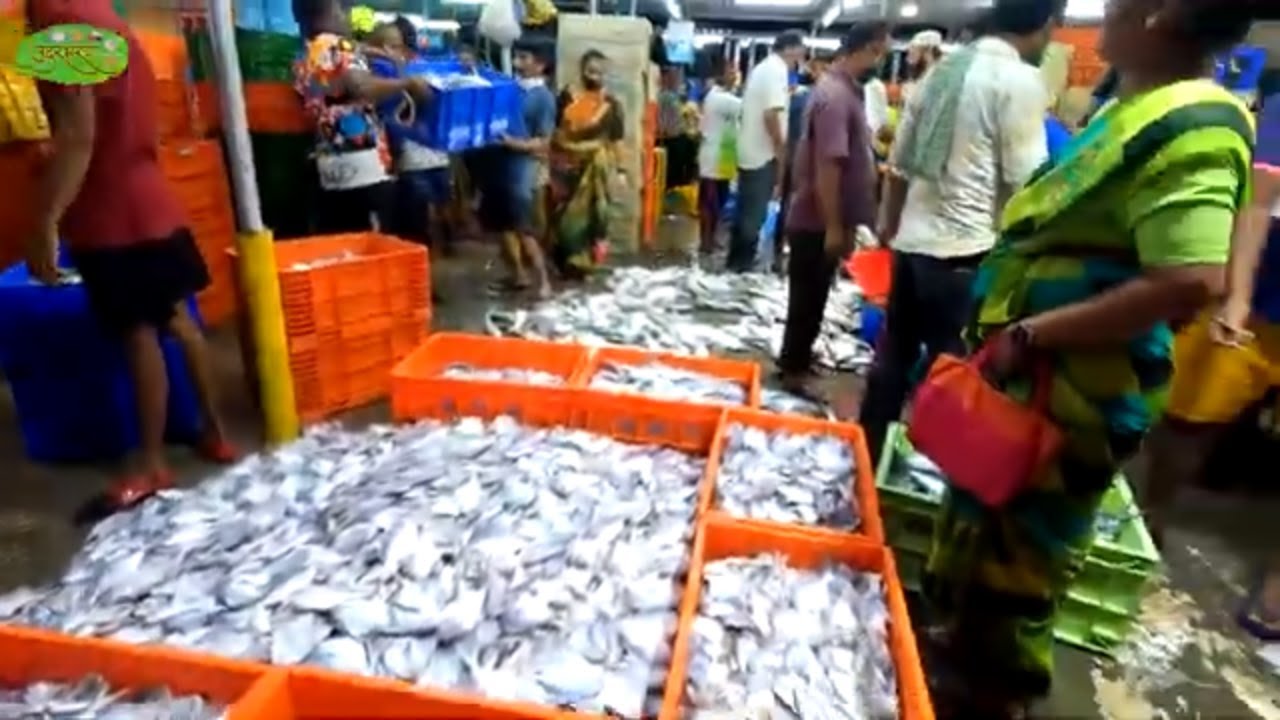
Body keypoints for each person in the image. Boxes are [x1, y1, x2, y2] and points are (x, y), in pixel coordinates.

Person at [918, 0, 1257, 715]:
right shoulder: (1134, 105)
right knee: (987, 513)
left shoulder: (1198, 124)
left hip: (1070, 383)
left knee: (1025, 553)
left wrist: (1037, 333)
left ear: (1162, 14)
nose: (1105, 7)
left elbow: (1191, 278)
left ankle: (992, 693)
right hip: (1026, 371)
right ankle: (961, 648)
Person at [25, 0, 236, 514]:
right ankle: (215, 432)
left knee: (139, 335)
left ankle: (150, 465)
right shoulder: (114, 25)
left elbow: (80, 134)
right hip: (153, 199)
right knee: (180, 322)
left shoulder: (62, 27)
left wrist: (44, 221)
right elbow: (111, 119)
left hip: (112, 214)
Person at [860, 0, 1054, 463]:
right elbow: (1030, 184)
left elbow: (899, 164)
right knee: (956, 376)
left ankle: (867, 454)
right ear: (1046, 25)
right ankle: (931, 475)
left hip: (912, 246)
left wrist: (890, 229)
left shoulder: (938, 73)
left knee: (892, 360)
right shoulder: (1020, 80)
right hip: (966, 255)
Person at [1144, 92, 1280, 550]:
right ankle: (1151, 516)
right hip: (1262, 302)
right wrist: (1238, 296)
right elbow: (1258, 201)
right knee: (1191, 418)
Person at [777, 23, 889, 393]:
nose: (883, 60)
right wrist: (834, 226)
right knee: (806, 297)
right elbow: (829, 164)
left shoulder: (842, 91)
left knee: (816, 293)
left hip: (820, 218)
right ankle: (792, 368)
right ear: (868, 48)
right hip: (816, 220)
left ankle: (800, 356)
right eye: (881, 52)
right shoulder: (836, 96)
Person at [292, 0, 429, 234]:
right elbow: (359, 86)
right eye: (343, 9)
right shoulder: (337, 46)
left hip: (329, 163)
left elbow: (335, 71)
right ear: (330, 11)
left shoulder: (304, 54)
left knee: (345, 237)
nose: (347, 15)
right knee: (376, 238)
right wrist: (407, 83)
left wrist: (368, 49)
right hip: (363, 165)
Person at [364, 23, 455, 256]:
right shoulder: (379, 73)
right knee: (409, 226)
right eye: (394, 47)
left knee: (416, 224)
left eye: (400, 47)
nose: (399, 52)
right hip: (394, 159)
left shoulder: (397, 71)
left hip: (403, 157)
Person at [728, 31, 805, 273]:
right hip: (762, 154)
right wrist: (782, 150)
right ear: (791, 48)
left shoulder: (764, 68)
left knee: (745, 214)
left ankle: (734, 267)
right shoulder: (776, 70)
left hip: (751, 151)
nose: (801, 58)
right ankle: (740, 270)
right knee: (752, 218)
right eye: (801, 51)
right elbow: (771, 114)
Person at [547, 49, 626, 280]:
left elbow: (615, 140)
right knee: (563, 217)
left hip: (596, 168)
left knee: (593, 215)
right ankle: (564, 263)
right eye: (590, 70)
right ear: (582, 70)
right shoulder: (567, 97)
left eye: (600, 72)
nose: (594, 75)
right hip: (566, 165)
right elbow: (557, 132)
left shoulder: (611, 105)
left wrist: (620, 171)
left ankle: (583, 266)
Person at [491, 40, 558, 298]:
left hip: (523, 171)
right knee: (503, 227)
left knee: (524, 229)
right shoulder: (511, 89)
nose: (517, 63)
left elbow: (544, 141)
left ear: (541, 64)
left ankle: (543, 282)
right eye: (516, 57)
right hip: (501, 166)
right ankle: (517, 275)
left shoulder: (543, 99)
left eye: (524, 57)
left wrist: (513, 143)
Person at [697, 60, 742, 255]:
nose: (734, 76)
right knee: (709, 203)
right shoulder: (718, 98)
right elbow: (746, 108)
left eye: (736, 73)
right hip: (712, 159)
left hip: (723, 158)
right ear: (720, 75)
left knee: (719, 203)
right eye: (730, 72)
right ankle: (705, 241)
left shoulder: (725, 97)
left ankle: (711, 238)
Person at [899, 30, 943, 108]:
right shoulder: (919, 80)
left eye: (913, 54)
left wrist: (912, 97)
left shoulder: (940, 81)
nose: (908, 61)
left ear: (928, 52)